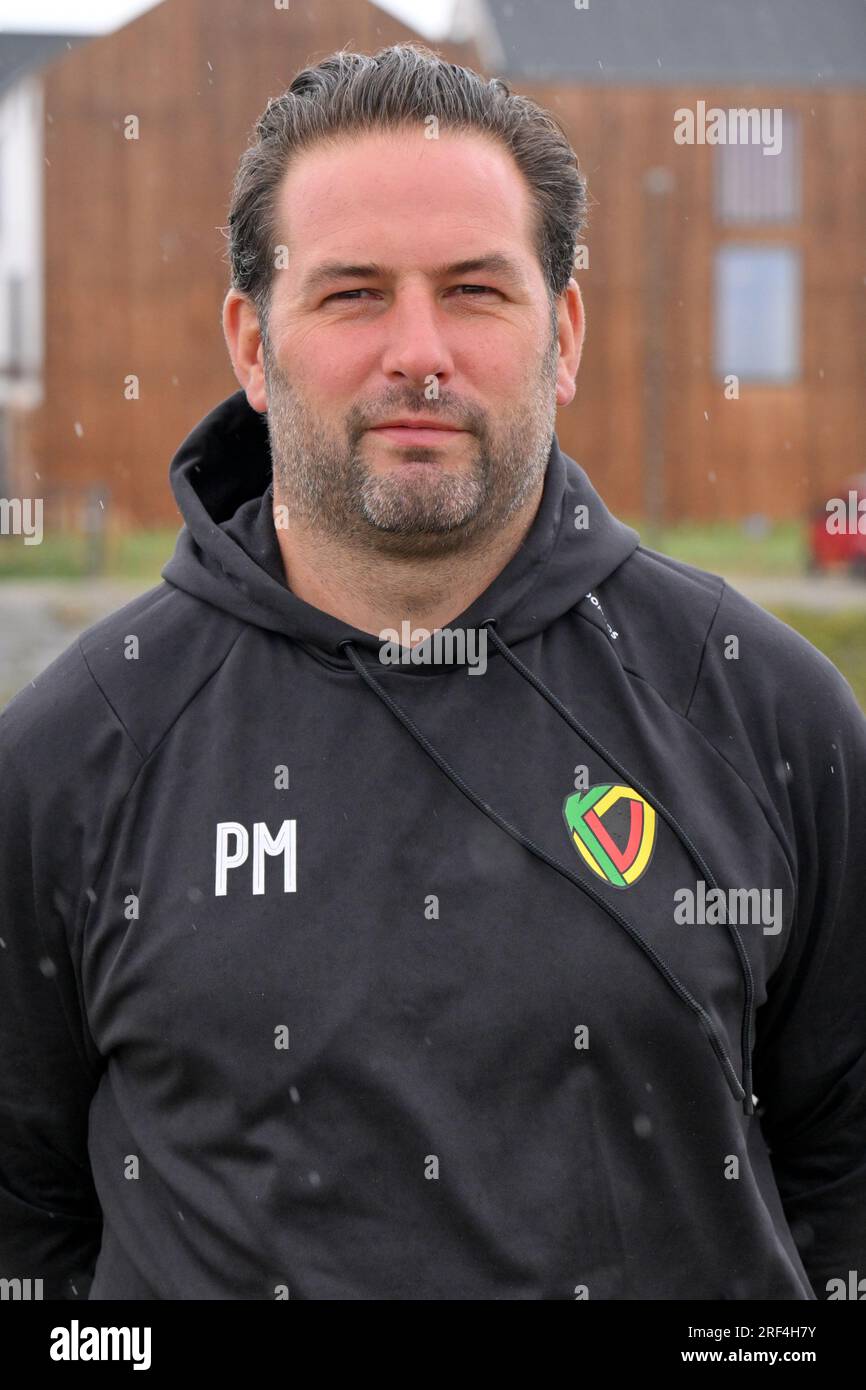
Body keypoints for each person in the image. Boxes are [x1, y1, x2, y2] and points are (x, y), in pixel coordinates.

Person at [1, 42, 864, 1302]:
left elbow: (841, 1171)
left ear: (560, 333)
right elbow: (25, 1217)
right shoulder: (74, 749)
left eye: (473, 291)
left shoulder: (766, 714)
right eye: (352, 294)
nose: (419, 350)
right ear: (251, 344)